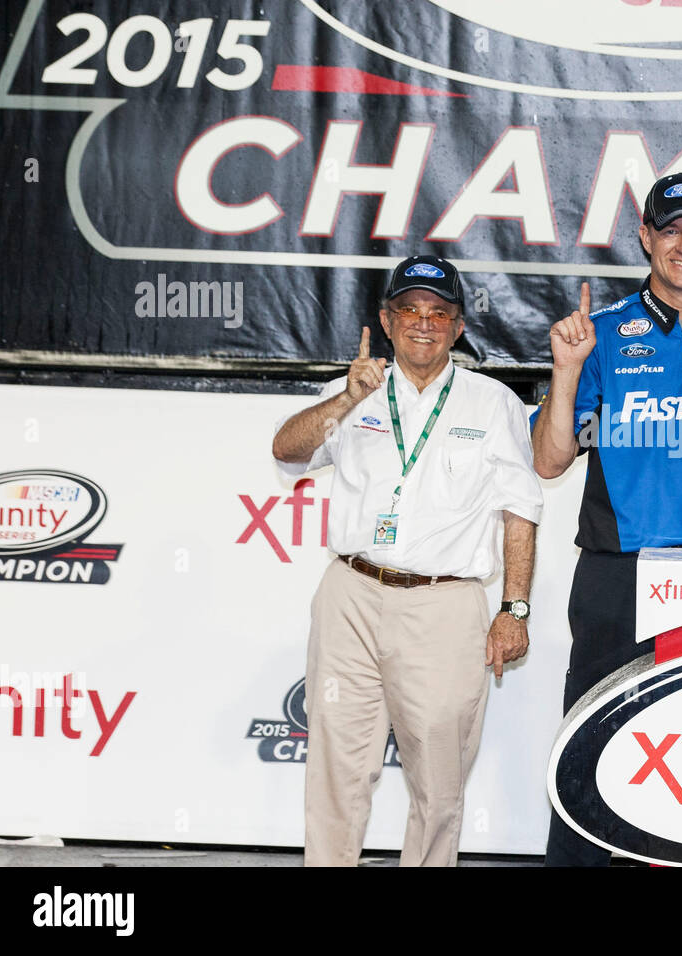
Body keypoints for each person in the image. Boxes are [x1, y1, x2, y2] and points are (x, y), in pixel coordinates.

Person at [272, 254, 543, 867]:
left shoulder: (492, 402)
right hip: (350, 596)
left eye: (438, 313)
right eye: (410, 310)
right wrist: (346, 399)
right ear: (386, 321)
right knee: (336, 771)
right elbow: (286, 451)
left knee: (439, 785)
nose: (423, 322)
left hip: (444, 605)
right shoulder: (352, 391)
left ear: (458, 327)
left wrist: (515, 609)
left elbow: (520, 511)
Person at [532, 172, 682, 865]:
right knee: (592, 746)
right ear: (645, 238)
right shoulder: (601, 335)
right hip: (619, 574)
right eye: (670, 230)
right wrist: (567, 370)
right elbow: (550, 460)